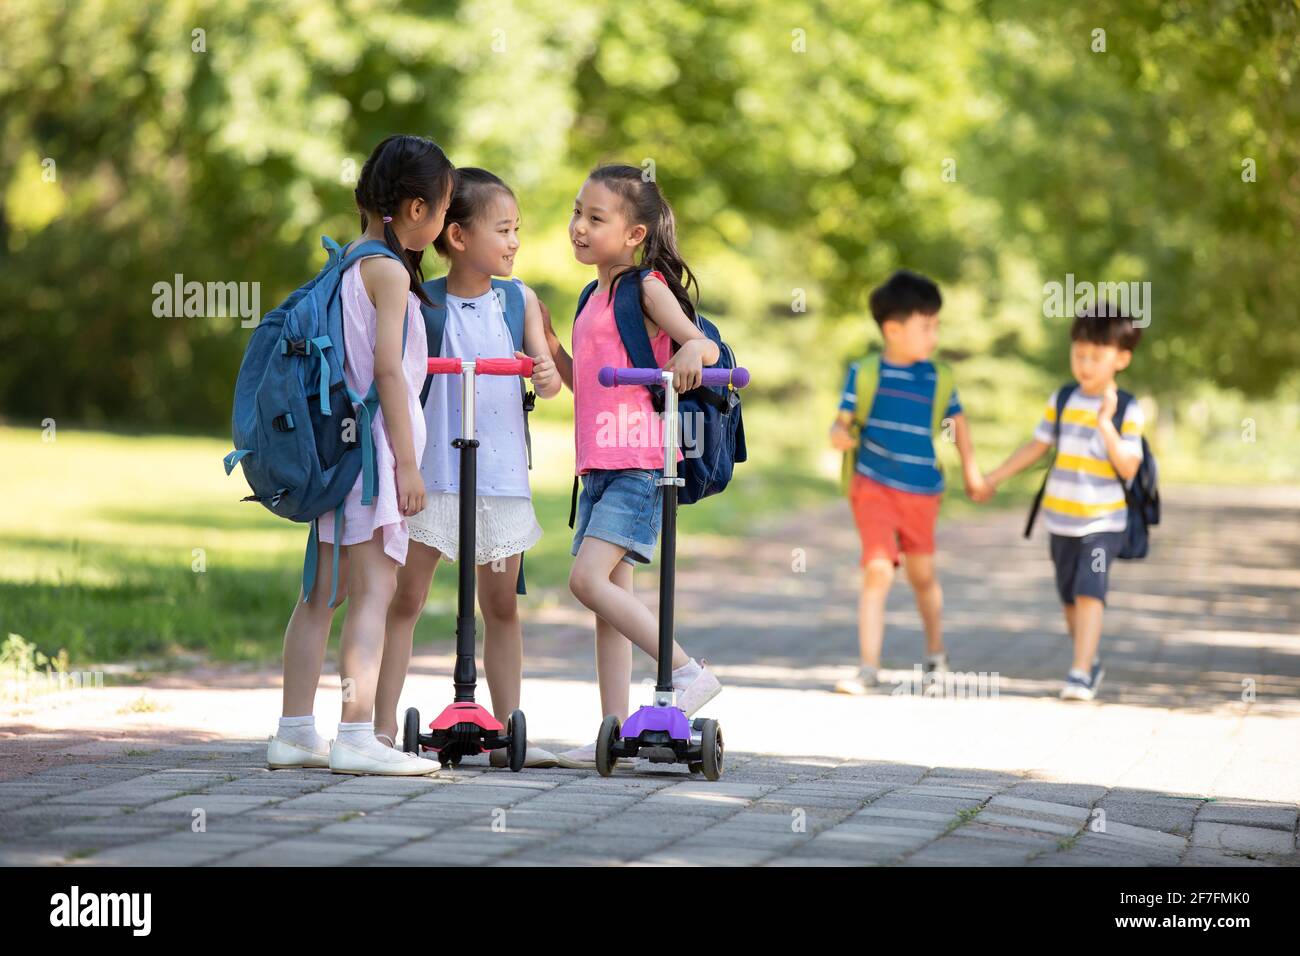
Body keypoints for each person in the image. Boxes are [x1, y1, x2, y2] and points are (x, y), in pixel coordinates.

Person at [266, 134, 453, 775]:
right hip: (371, 461)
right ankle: (355, 735)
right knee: (375, 591)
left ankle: (294, 733)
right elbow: (391, 375)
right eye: (442, 209)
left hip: (332, 453)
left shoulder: (348, 260)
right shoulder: (391, 272)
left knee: (322, 592)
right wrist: (407, 463)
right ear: (415, 208)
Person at [377, 169, 561, 767]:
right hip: (433, 477)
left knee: (501, 604)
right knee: (406, 598)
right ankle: (379, 728)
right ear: (456, 236)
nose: (513, 242)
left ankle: (511, 727)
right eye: (503, 230)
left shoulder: (519, 299)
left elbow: (548, 373)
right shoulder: (420, 300)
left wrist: (545, 372)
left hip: (501, 478)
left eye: (517, 231)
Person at [540, 164, 722, 768]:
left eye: (596, 218)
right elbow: (580, 383)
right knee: (606, 607)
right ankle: (611, 732)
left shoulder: (645, 288)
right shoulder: (592, 296)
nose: (579, 228)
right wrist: (551, 349)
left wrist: (693, 352)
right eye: (576, 213)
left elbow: (701, 343)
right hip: (597, 466)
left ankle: (687, 670)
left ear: (635, 234)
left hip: (640, 463)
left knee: (586, 582)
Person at [829, 269, 988, 695]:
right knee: (877, 570)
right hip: (873, 485)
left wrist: (971, 469)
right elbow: (840, 425)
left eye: (936, 326)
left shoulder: (939, 377)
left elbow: (958, 424)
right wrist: (838, 436)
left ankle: (937, 657)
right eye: (926, 327)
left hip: (922, 491)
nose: (934, 336)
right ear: (892, 329)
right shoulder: (865, 373)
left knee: (922, 576)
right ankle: (868, 668)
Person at [981, 305, 1145, 701]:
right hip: (1061, 520)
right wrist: (994, 478)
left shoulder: (1127, 407)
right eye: (1079, 354)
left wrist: (1105, 424)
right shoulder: (1064, 398)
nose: (1085, 364)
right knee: (1070, 597)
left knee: (1091, 590)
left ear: (1121, 358)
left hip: (1103, 522)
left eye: (1096, 356)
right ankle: (1087, 660)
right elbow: (1037, 446)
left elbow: (1129, 467)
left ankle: (1080, 670)